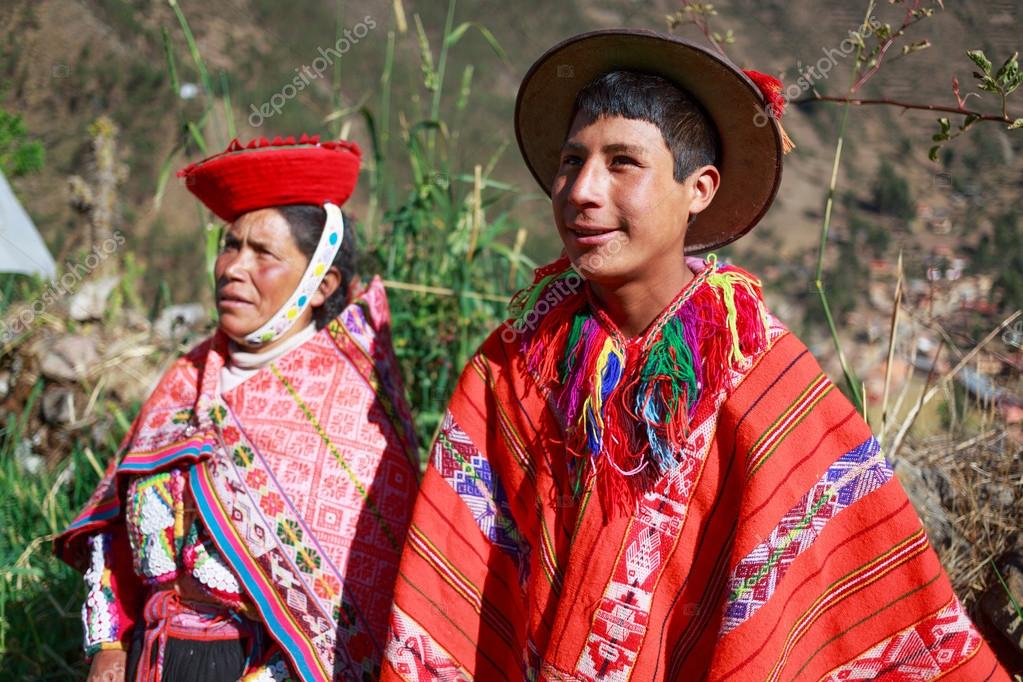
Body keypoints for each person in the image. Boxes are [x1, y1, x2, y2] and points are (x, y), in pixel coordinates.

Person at [381, 30, 1010, 680]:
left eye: (622, 163)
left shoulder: (757, 375)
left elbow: (856, 589)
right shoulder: (518, 359)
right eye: (571, 161)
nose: (581, 191)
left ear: (699, 189)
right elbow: (456, 568)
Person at [55, 135, 420, 681]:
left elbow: (352, 609)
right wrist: (108, 645)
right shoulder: (184, 383)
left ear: (321, 285)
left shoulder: (348, 414)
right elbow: (111, 526)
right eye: (230, 245)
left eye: (263, 253)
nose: (233, 268)